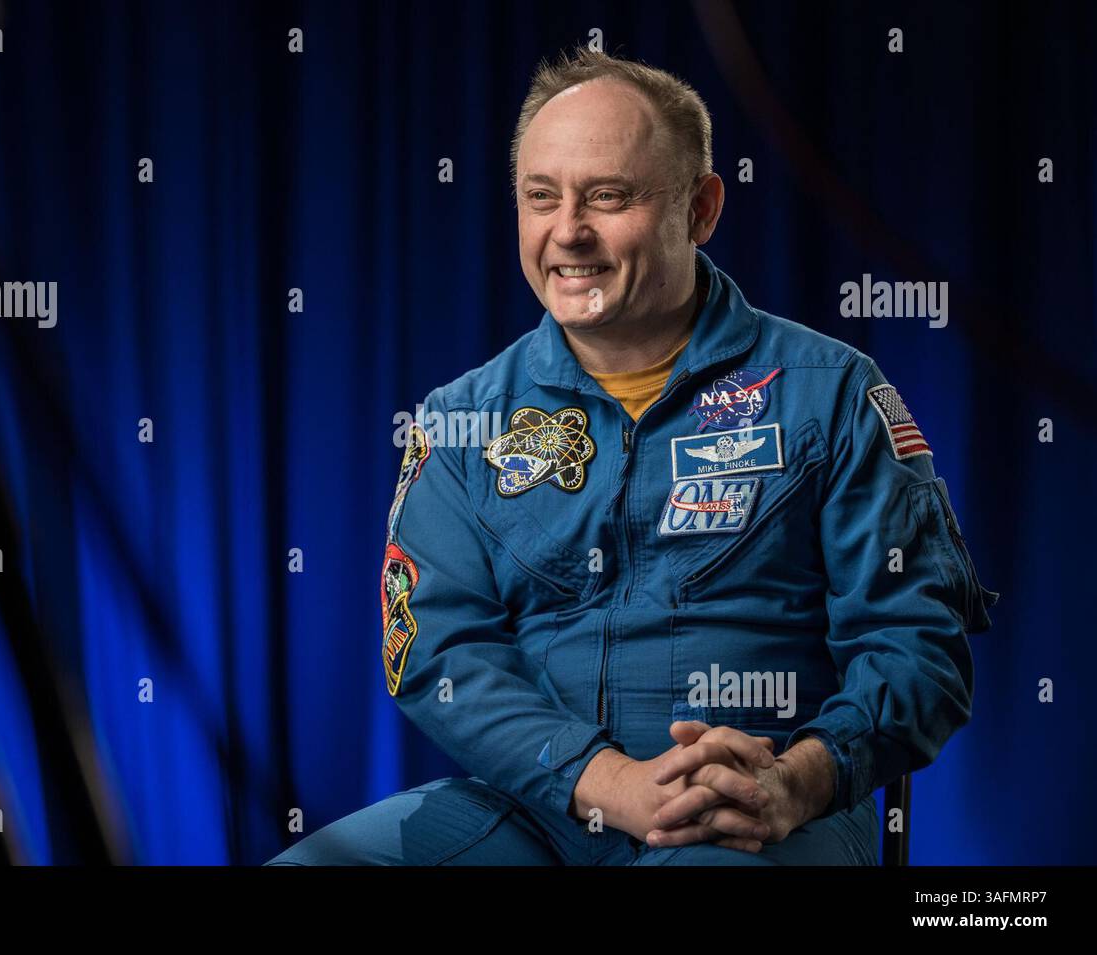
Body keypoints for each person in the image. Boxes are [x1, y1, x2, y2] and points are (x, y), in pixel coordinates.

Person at [267, 48, 996, 866]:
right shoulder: (461, 420)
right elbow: (436, 650)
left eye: (608, 197)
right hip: (536, 808)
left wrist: (801, 778)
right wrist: (599, 776)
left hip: (756, 807)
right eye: (541, 197)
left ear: (702, 209)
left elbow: (918, 643)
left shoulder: (830, 394)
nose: (568, 230)